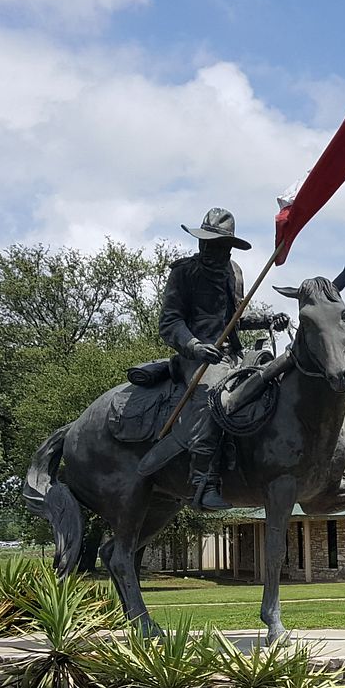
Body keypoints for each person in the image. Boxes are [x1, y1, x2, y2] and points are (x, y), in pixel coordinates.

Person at [134, 208, 288, 510]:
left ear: (228, 247)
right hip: (197, 357)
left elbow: (234, 319)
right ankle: (203, 482)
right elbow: (170, 322)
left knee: (274, 385)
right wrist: (193, 346)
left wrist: (268, 319)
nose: (208, 249)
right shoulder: (183, 273)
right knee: (213, 398)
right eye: (205, 242)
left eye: (216, 245)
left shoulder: (235, 272)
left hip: (233, 356)